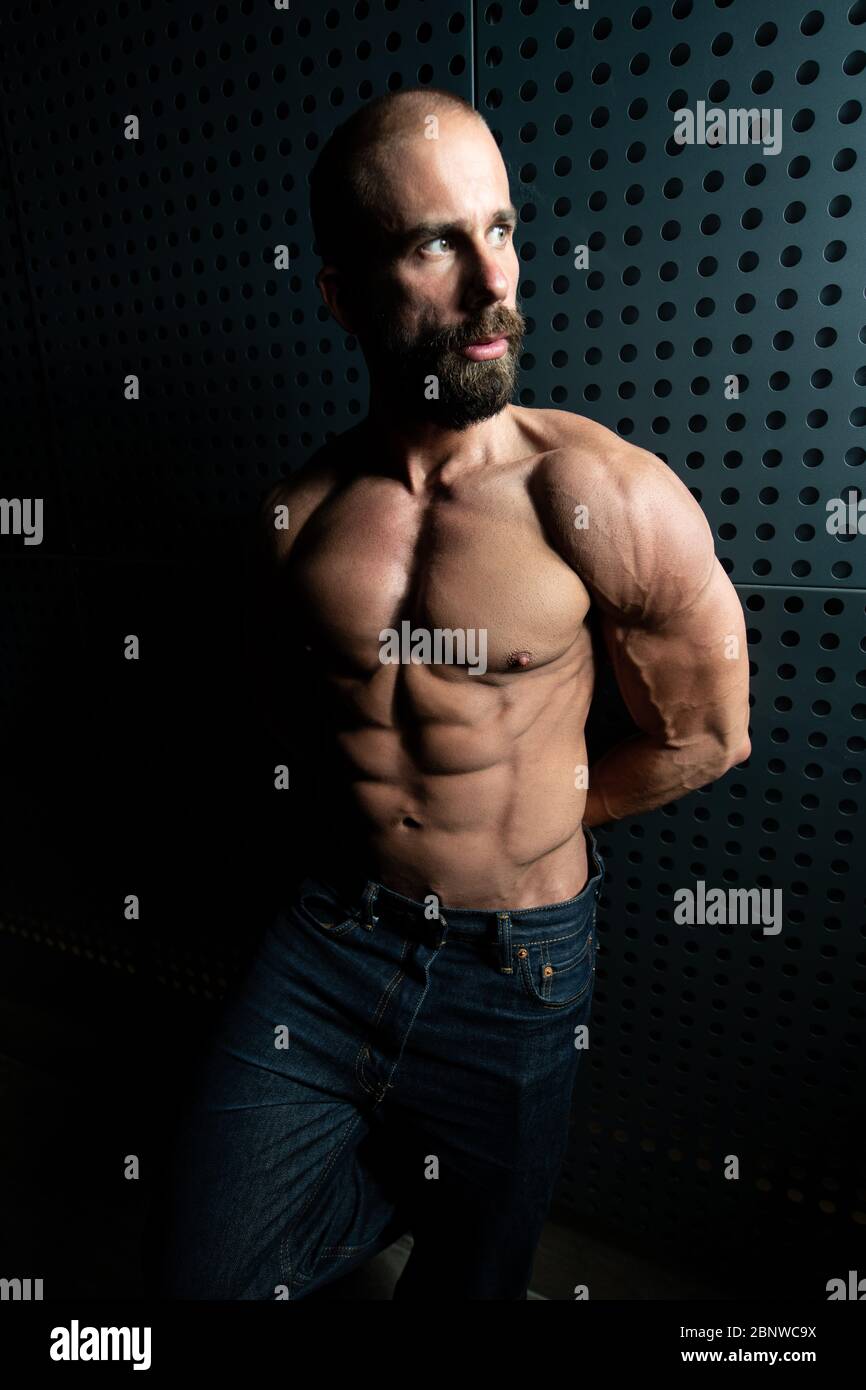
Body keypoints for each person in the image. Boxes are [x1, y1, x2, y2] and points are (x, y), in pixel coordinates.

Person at [158, 87, 751, 1301]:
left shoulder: (597, 496)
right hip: (330, 943)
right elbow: (295, 716)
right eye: (434, 241)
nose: (494, 286)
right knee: (199, 1277)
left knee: (468, 1287)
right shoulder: (296, 520)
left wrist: (525, 829)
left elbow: (708, 737)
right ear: (338, 293)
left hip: (517, 969)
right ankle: (396, 1161)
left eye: (500, 229)